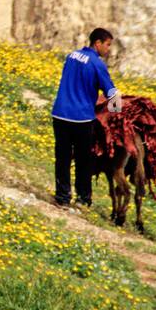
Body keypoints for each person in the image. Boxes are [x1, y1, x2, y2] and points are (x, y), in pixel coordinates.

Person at [50, 27, 122, 208]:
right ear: (97, 43)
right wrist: (116, 113)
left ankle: (62, 197)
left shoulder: (71, 55)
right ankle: (83, 198)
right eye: (107, 45)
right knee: (84, 160)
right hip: (81, 118)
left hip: (59, 114)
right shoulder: (97, 64)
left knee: (63, 157)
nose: (108, 49)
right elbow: (111, 92)